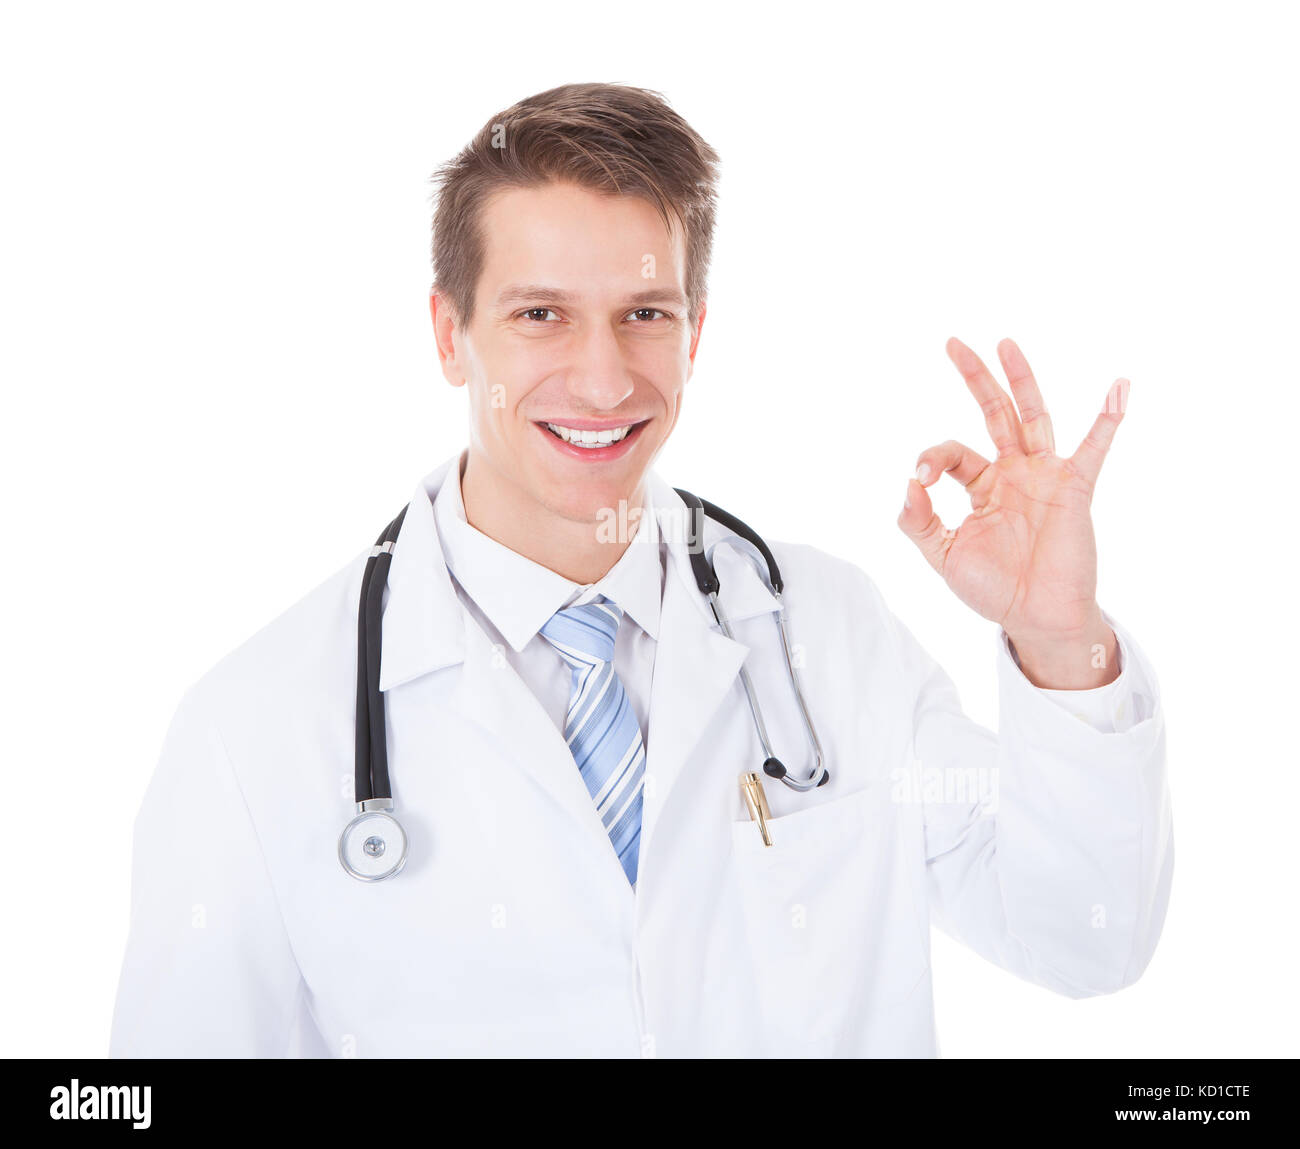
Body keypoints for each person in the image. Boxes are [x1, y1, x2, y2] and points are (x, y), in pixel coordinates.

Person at [109, 82, 1172, 1058]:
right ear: (449, 333)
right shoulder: (249, 731)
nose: (603, 377)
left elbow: (1085, 938)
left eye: (644, 315)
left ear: (695, 332)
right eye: (539, 315)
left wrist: (1056, 638)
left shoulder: (828, 635)